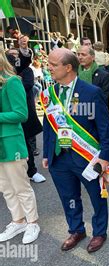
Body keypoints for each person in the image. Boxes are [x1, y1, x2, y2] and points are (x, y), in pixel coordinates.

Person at [42, 48, 109, 253]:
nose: (49, 68)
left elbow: (104, 128)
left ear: (68, 67)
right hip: (59, 157)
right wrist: (47, 153)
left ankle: (99, 232)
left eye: (53, 65)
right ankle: (76, 229)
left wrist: (105, 157)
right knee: (68, 196)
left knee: (97, 197)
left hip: (87, 156)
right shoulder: (49, 94)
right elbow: (48, 125)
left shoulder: (91, 92)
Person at [0, 48, 41, 244]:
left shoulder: (12, 81)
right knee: (6, 187)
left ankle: (32, 222)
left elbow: (21, 114)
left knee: (20, 186)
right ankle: (18, 221)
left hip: (11, 141)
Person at [77, 45, 109, 195]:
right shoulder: (75, 74)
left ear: (92, 57)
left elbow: (105, 96)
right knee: (85, 149)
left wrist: (87, 103)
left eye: (83, 54)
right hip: (81, 119)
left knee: (104, 149)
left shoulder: (101, 74)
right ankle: (93, 178)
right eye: (78, 54)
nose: (80, 57)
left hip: (98, 119)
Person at [6, 50, 45, 183]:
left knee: (27, 145)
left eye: (16, 55)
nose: (15, 57)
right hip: (7, 121)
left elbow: (28, 85)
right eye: (11, 55)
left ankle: (32, 171)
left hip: (24, 114)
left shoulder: (25, 71)